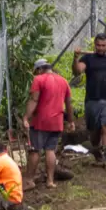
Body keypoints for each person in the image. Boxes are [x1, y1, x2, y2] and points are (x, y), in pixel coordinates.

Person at [74, 33, 106, 167]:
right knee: (94, 130)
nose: (101, 48)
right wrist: (76, 57)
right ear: (94, 45)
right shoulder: (88, 58)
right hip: (92, 100)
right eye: (98, 45)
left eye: (103, 45)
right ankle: (97, 153)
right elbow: (78, 71)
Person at [22, 58, 73, 189]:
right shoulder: (63, 81)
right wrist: (71, 121)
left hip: (41, 121)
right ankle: (50, 181)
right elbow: (68, 103)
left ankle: (29, 180)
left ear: (40, 69)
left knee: (35, 150)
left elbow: (34, 99)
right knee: (50, 150)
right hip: (57, 121)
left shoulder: (39, 80)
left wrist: (26, 117)